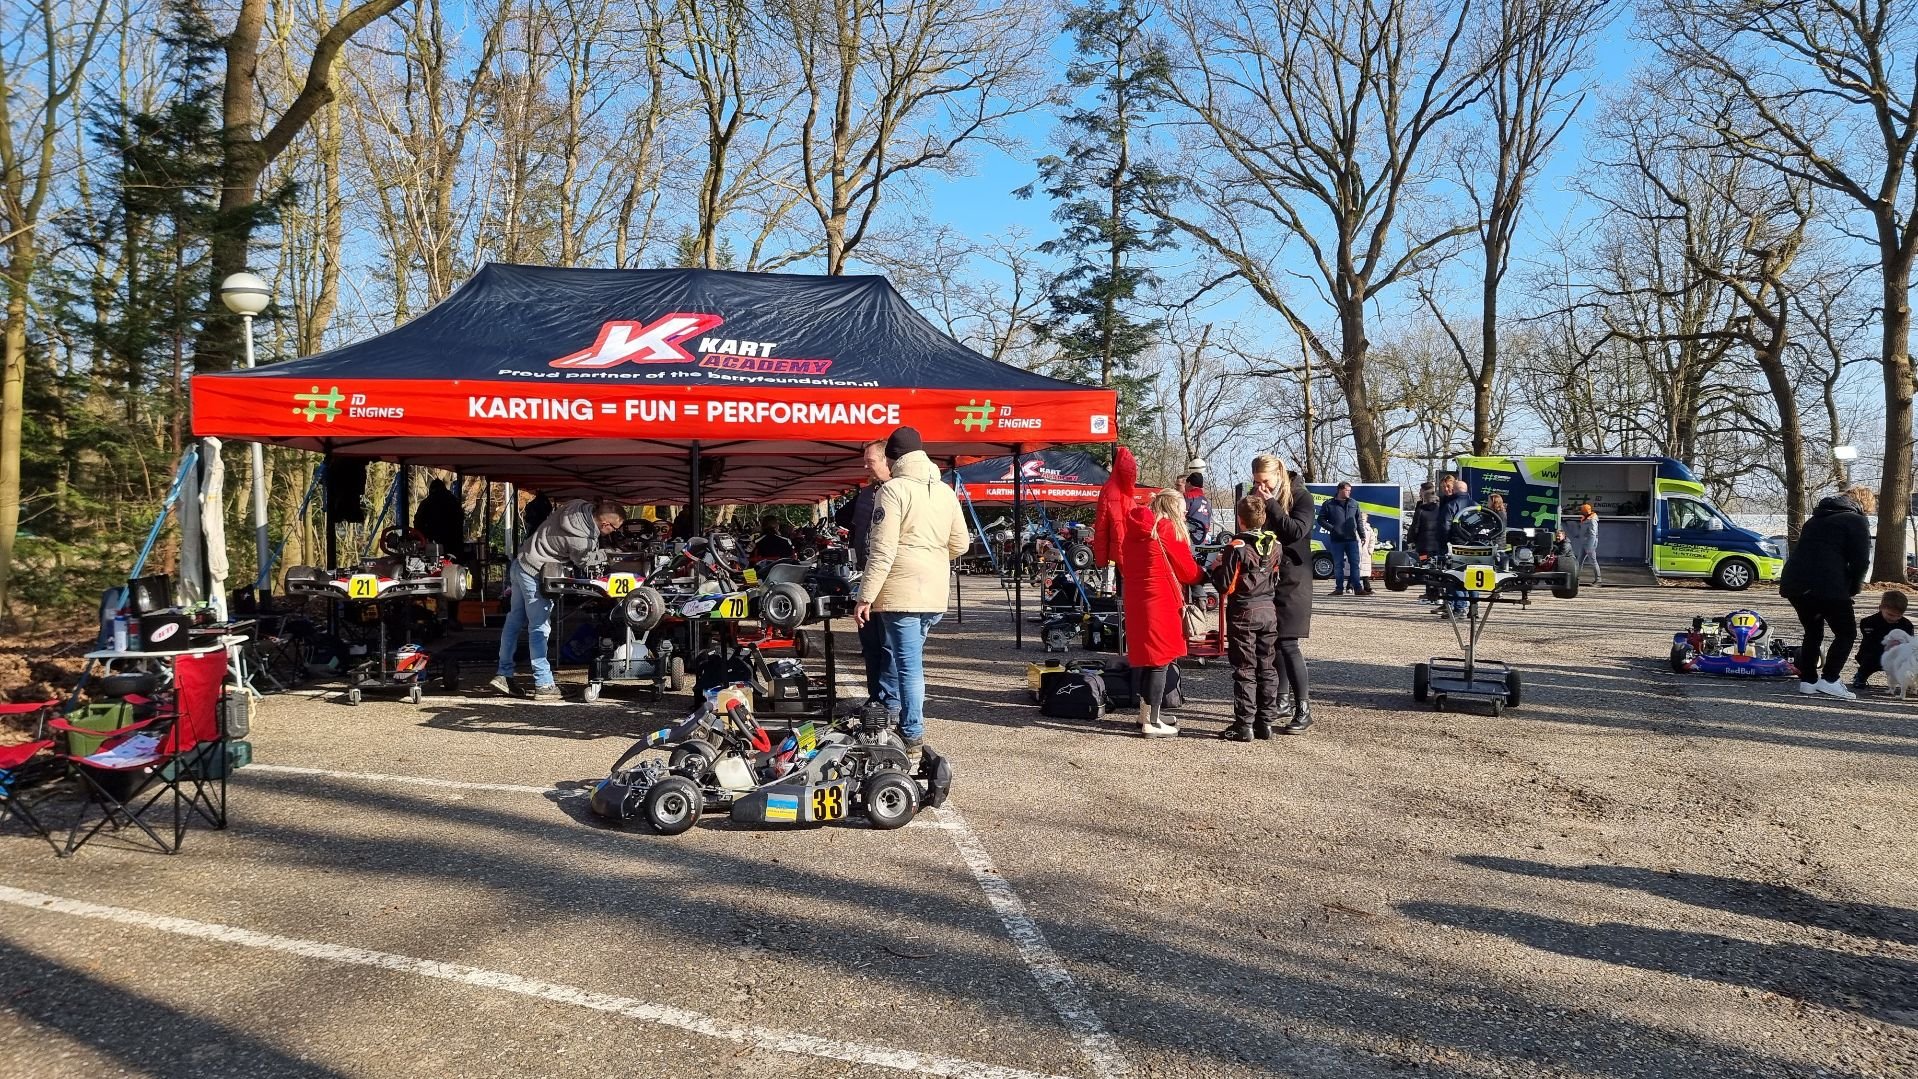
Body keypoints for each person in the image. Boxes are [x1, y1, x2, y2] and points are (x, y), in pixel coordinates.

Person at [854, 427, 969, 766]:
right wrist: (930, 556)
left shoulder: (893, 490)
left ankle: (912, 733)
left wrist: (865, 596)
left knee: (908, 666)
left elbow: (882, 550)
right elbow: (961, 544)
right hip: (934, 591)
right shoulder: (945, 491)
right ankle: (889, 718)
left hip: (901, 590)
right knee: (905, 658)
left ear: (893, 458)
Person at [1105, 447, 1202, 737]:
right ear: (1173, 509)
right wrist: (1208, 572)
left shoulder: (1136, 530)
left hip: (1138, 602)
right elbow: (1188, 571)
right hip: (1161, 603)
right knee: (1160, 661)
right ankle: (1153, 721)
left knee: (1149, 661)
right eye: (1182, 510)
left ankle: (1146, 713)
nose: (1185, 514)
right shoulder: (1166, 530)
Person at [493, 496, 625, 699]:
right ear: (606, 524)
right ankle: (544, 684)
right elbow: (585, 563)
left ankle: (503, 674)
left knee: (514, 621)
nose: (615, 532)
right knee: (540, 628)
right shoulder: (582, 540)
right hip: (536, 572)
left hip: (521, 562)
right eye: (615, 529)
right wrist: (608, 554)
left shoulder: (577, 505)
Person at [1778, 486, 1873, 699]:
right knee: (1846, 633)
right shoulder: (1856, 521)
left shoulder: (1815, 519)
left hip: (1796, 583)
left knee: (1813, 632)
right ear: (1865, 504)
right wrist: (1853, 588)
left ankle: (1808, 680)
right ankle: (1830, 679)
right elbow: (1861, 561)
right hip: (1827, 584)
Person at [1209, 495, 1281, 741]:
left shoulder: (1237, 546)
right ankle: (1265, 722)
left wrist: (1216, 568)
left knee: (1245, 668)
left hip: (1243, 612)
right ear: (1264, 517)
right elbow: (1275, 577)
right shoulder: (1275, 544)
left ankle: (1244, 725)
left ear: (1240, 520)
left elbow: (1225, 585)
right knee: (1267, 666)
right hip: (1268, 611)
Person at [1253, 454, 1315, 734]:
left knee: (1289, 643)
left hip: (1295, 579)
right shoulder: (1263, 497)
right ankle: (1282, 700)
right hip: (1270, 578)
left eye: (1265, 481)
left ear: (1278, 475)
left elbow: (1296, 532)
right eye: (1257, 482)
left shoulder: (1301, 497)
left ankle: (1304, 709)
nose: (1261, 487)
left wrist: (1271, 505)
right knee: (1275, 640)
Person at [834, 440, 894, 718]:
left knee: (889, 646)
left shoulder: (901, 491)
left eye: (870, 461)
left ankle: (891, 705)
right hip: (866, 572)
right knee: (870, 644)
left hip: (892, 579)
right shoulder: (867, 493)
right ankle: (875, 699)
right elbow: (843, 517)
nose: (865, 466)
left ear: (886, 460)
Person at [1853, 590, 1913, 691]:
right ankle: (1861, 675)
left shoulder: (1906, 625)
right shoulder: (1869, 622)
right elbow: (1870, 641)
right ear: (1881, 608)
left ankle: (1909, 681)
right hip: (1875, 653)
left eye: (1898, 616)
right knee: (1870, 657)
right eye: (1890, 614)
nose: (1894, 618)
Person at [1439, 472, 1477, 620]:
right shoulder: (1475, 505)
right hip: (1475, 546)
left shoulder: (1451, 505)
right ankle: (1474, 609)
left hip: (1457, 546)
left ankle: (1460, 607)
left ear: (1454, 490)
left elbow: (1445, 527)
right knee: (1473, 577)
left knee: (1455, 576)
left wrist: (1444, 543)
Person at [1316, 481, 1364, 597]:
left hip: (1352, 539)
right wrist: (1332, 528)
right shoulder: (1329, 504)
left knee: (1355, 564)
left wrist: (1362, 535)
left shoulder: (1354, 503)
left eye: (1350, 491)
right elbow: (1320, 519)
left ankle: (1358, 588)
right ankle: (1339, 589)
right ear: (1340, 490)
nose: (1349, 492)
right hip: (1337, 539)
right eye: (1347, 490)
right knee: (1338, 565)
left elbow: (1358, 521)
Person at [412, 477, 464, 555]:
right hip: (454, 542)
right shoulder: (454, 501)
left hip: (433, 544)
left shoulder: (427, 503)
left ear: (431, 490)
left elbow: (418, 522)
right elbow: (460, 519)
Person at [1569, 503, 1601, 585]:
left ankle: (1598, 579)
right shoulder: (1585, 518)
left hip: (1590, 544)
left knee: (1593, 561)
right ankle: (1576, 579)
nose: (1580, 512)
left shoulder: (1592, 520)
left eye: (1582, 511)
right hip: (1584, 543)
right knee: (1579, 561)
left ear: (1585, 511)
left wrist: (1590, 547)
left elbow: (1593, 534)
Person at [1183, 472, 1215, 546]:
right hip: (1202, 538)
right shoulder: (1207, 501)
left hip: (1188, 537)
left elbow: (1179, 515)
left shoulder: (1188, 496)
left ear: (1189, 483)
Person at [1354, 505, 1376, 595]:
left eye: (1364, 519)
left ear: (1366, 520)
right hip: (1355, 551)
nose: (1362, 521)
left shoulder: (1369, 530)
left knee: (1365, 572)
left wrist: (1370, 550)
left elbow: (1372, 540)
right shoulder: (1354, 528)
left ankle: (1367, 587)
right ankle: (1350, 586)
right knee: (1354, 570)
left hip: (1365, 553)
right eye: (1361, 519)